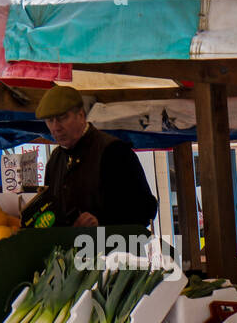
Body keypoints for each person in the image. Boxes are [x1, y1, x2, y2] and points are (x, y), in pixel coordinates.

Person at [36, 85, 157, 229]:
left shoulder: (114, 151)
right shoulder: (55, 160)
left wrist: (100, 222)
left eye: (63, 118)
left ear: (81, 115)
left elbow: (145, 210)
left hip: (114, 249)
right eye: (50, 121)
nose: (56, 127)